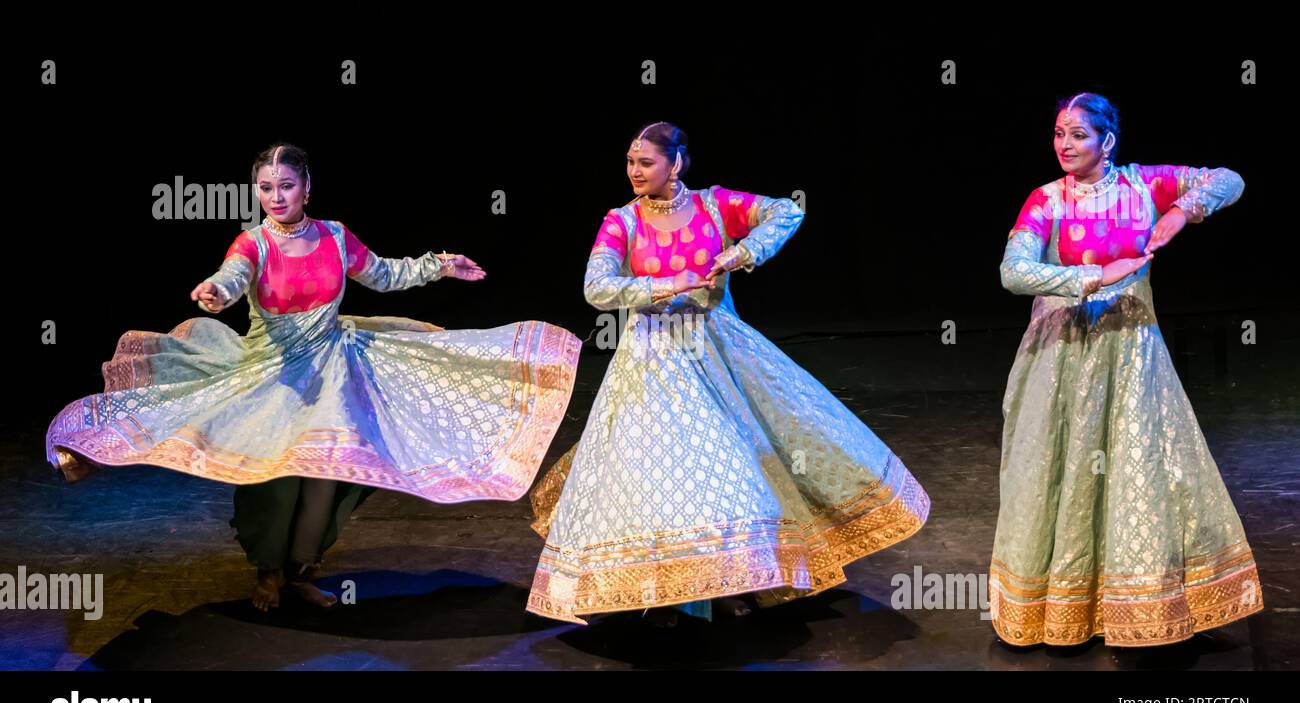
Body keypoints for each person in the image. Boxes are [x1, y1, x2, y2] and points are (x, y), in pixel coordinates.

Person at [46, 143, 581, 611]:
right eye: (265, 188)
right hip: (270, 374)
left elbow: (383, 274)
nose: (276, 197)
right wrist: (216, 290)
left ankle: (302, 572)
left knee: (326, 477)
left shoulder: (333, 235)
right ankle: (268, 572)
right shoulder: (252, 244)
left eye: (286, 185)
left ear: (307, 186)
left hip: (333, 366)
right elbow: (232, 278)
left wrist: (439, 264)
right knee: (276, 481)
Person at [526, 122, 930, 626]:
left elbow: (788, 210)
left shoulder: (715, 206)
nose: (634, 172)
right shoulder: (622, 221)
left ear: (676, 163)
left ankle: (731, 581)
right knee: (664, 473)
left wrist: (742, 253)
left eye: (645, 162)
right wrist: (662, 285)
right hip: (652, 360)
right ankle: (665, 591)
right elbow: (596, 286)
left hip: (717, 348)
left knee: (731, 469)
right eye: (630, 162)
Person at [991, 94, 1262, 646]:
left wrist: (1180, 211)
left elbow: (1229, 179)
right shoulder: (1046, 200)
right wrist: (1089, 278)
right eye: (1059, 134)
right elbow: (1013, 273)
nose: (1065, 145)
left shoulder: (1144, 186)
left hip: (1131, 349)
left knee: (1137, 468)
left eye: (1078, 135)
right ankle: (1061, 607)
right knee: (1055, 470)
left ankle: (1136, 604)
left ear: (1107, 141)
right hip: (1060, 352)